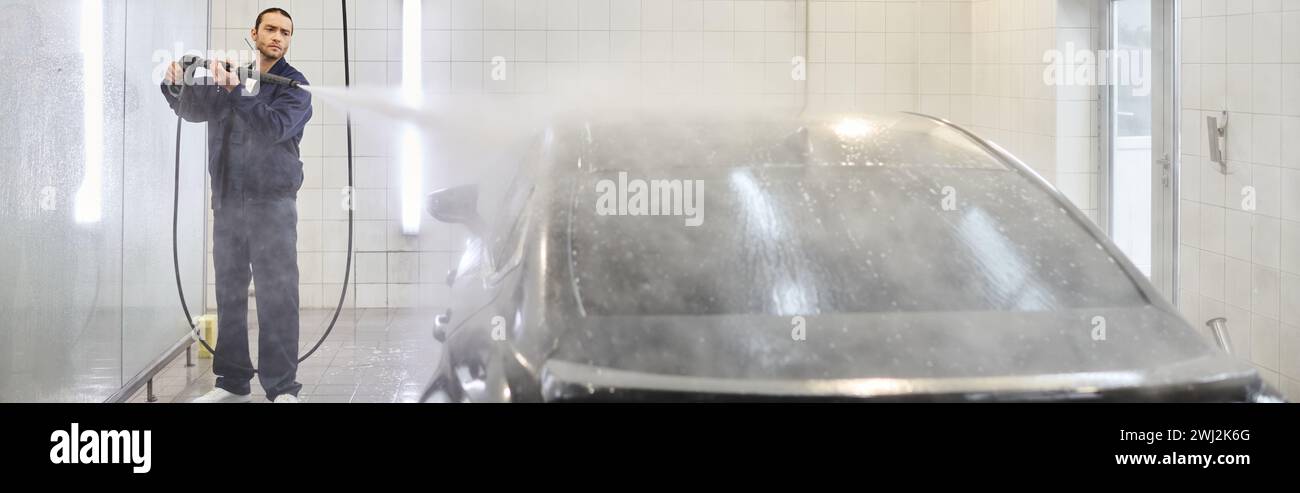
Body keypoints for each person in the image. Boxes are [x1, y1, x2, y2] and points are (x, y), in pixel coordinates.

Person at [160, 7, 312, 403]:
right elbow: (192, 111)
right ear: (255, 32)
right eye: (271, 29)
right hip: (228, 203)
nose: (278, 36)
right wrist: (174, 85)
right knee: (229, 292)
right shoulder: (233, 76)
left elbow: (275, 127)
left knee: (277, 295)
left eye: (285, 32)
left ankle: (281, 388)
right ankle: (232, 382)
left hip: (272, 206)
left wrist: (235, 88)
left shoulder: (294, 87)